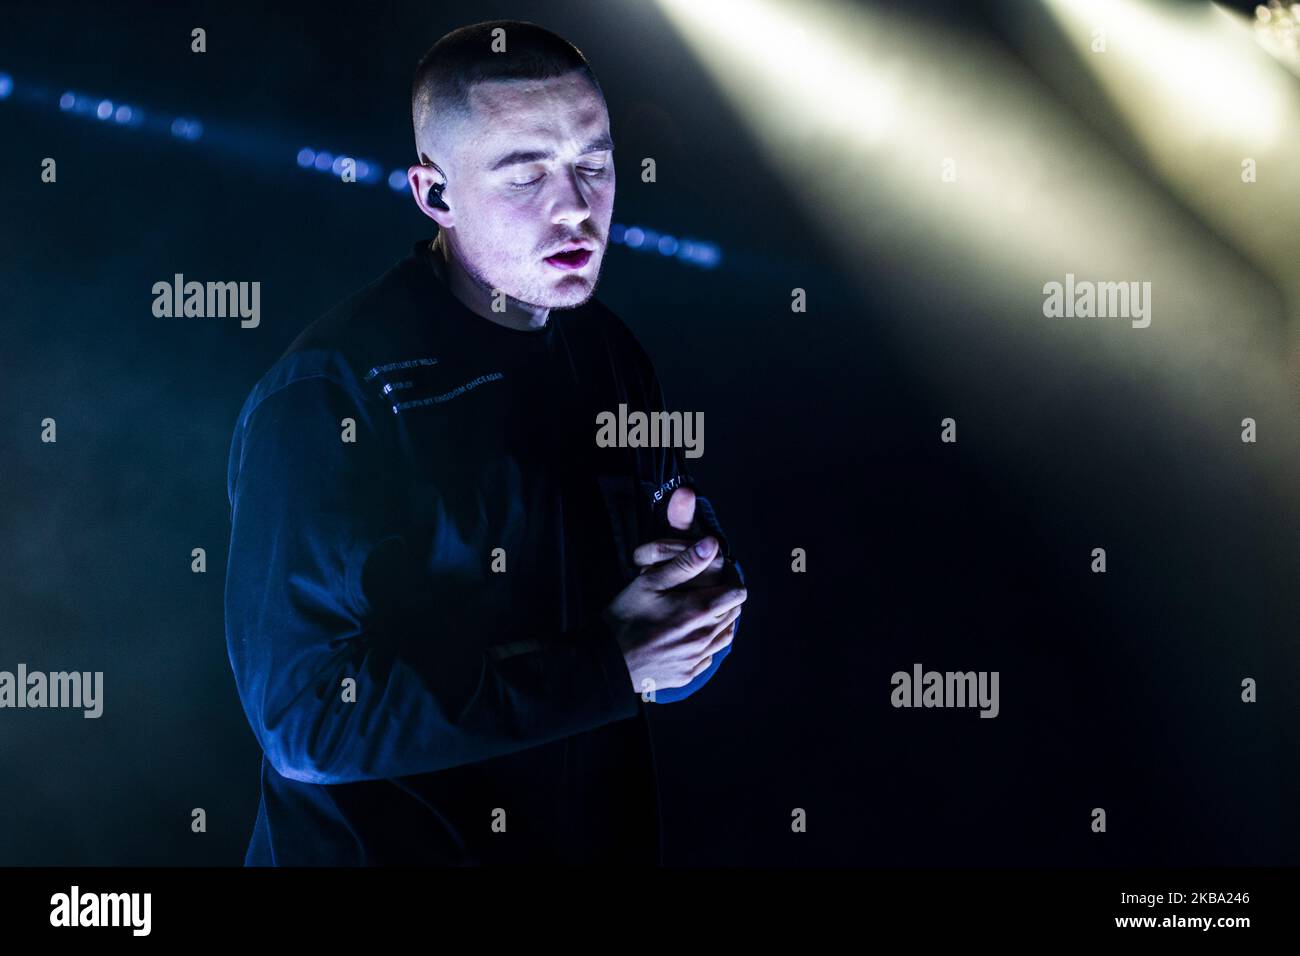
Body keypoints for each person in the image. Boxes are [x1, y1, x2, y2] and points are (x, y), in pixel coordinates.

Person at [224, 19, 747, 865]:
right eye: (524, 173)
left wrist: (692, 613)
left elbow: (654, 657)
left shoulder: (608, 353)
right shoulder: (331, 394)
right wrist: (609, 666)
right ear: (435, 195)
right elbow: (306, 720)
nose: (576, 205)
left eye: (594, 163)